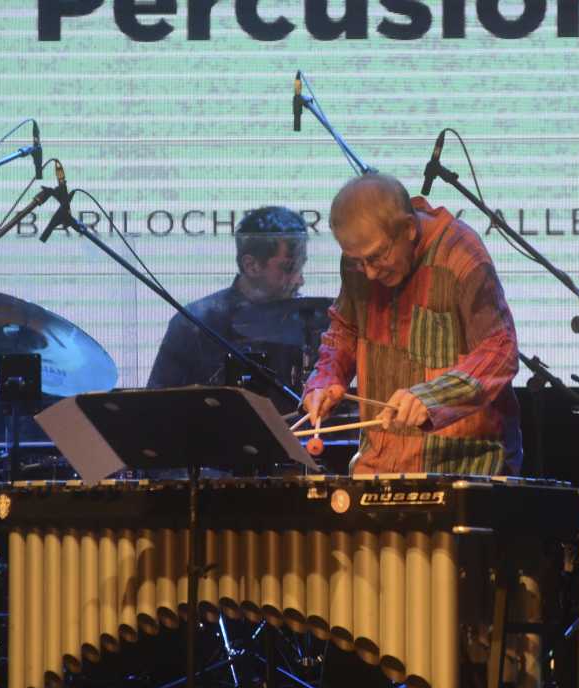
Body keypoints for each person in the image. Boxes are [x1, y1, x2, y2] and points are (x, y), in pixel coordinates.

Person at [302, 172, 522, 475]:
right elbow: (345, 330)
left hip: (463, 466)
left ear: (408, 228)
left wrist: (432, 397)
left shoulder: (460, 253)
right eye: (357, 261)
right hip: (379, 467)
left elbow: (500, 350)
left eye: (376, 257)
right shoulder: (359, 263)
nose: (369, 273)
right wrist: (325, 380)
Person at [146, 205, 309, 392]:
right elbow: (158, 400)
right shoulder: (193, 323)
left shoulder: (306, 322)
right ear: (251, 266)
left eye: (301, 266)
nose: (300, 280)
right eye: (289, 268)